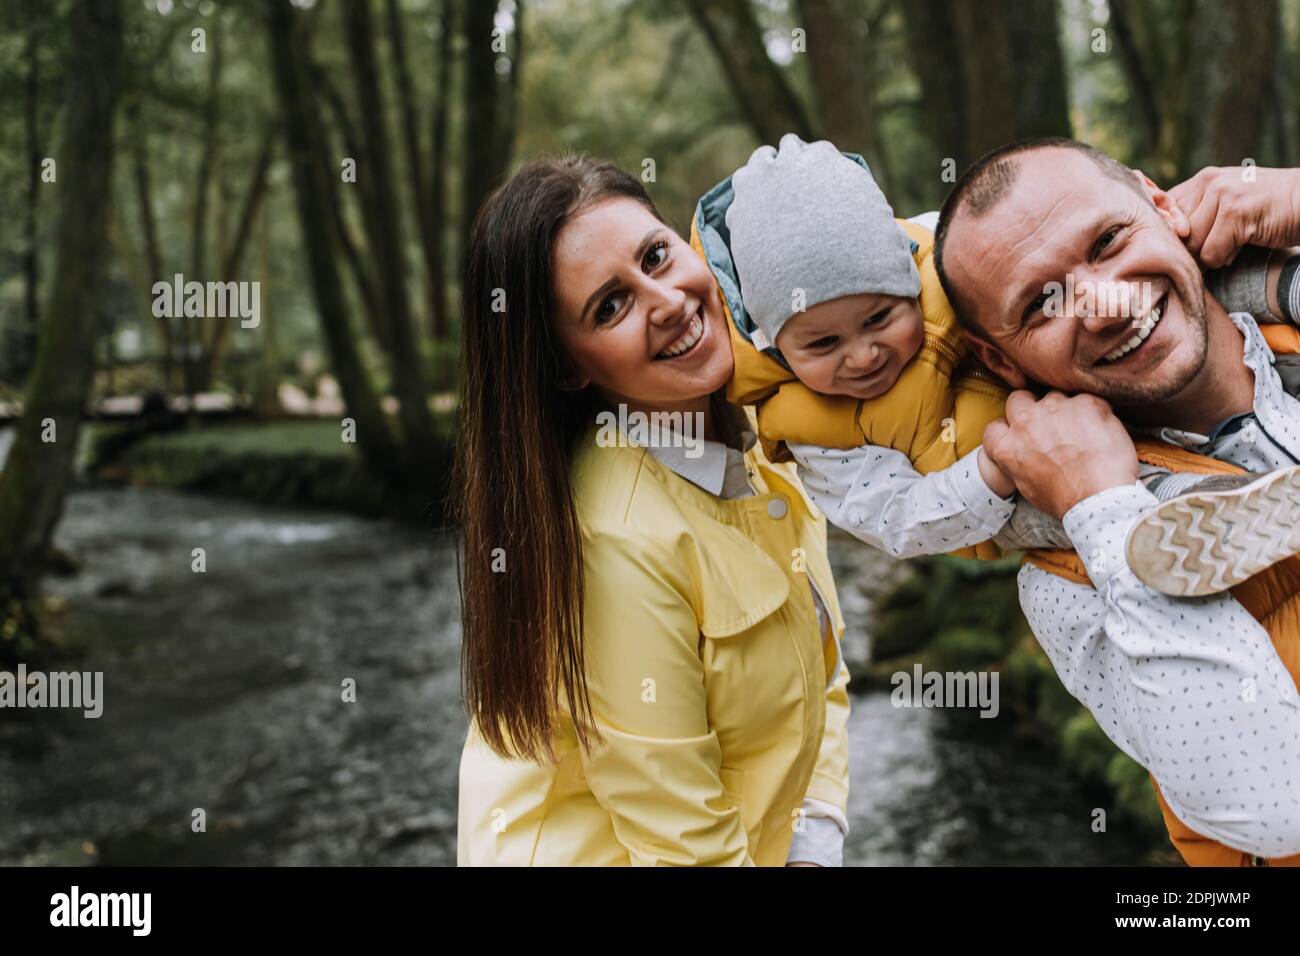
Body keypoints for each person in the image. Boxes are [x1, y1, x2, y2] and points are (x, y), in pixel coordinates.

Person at [820, 137, 1300, 864]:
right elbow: (1275, 804)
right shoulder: (1069, 575)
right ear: (1002, 361)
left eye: (1109, 240)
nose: (1105, 305)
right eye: (1044, 303)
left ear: (1161, 204)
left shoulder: (1283, 292)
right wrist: (1105, 508)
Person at [453, 154, 851, 866]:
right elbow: (681, 850)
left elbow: (822, 674)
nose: (666, 301)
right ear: (571, 368)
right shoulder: (612, 540)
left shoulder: (764, 437)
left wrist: (816, 843)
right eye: (611, 305)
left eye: (656, 256)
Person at [699, 133, 1294, 597]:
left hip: (1057, 375)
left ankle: (1286, 284)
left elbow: (1033, 212)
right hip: (1000, 488)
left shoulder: (950, 252)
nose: (862, 354)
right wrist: (990, 473)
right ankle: (1197, 512)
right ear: (779, 347)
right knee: (1065, 487)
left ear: (909, 278)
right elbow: (898, 520)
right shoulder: (821, 443)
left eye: (879, 319)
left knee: (1181, 269)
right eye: (822, 346)